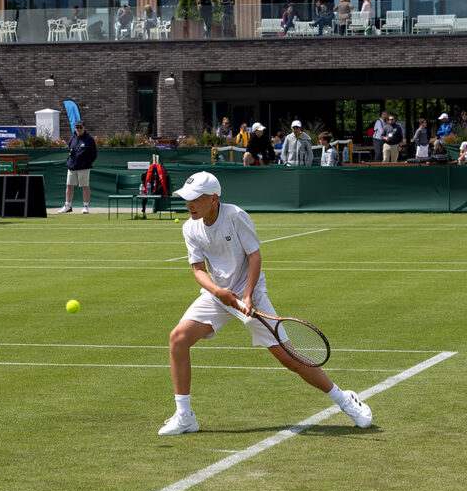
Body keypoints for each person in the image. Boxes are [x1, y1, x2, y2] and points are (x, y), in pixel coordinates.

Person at [158, 170, 373, 435]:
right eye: (186, 198)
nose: (189, 204)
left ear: (213, 199)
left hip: (251, 294)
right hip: (218, 295)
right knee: (178, 338)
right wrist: (219, 292)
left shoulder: (235, 216)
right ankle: (184, 416)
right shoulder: (189, 227)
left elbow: (255, 257)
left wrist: (247, 295)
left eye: (195, 199)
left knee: (290, 360)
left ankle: (345, 399)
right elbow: (198, 270)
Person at [60, 120, 97, 213]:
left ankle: (85, 206)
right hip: (72, 167)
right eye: (77, 128)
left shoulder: (89, 139)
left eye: (80, 127)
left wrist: (86, 162)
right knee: (69, 186)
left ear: (84, 128)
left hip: (84, 167)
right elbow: (70, 150)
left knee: (85, 186)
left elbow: (94, 154)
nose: (78, 129)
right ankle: (67, 206)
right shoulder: (73, 138)